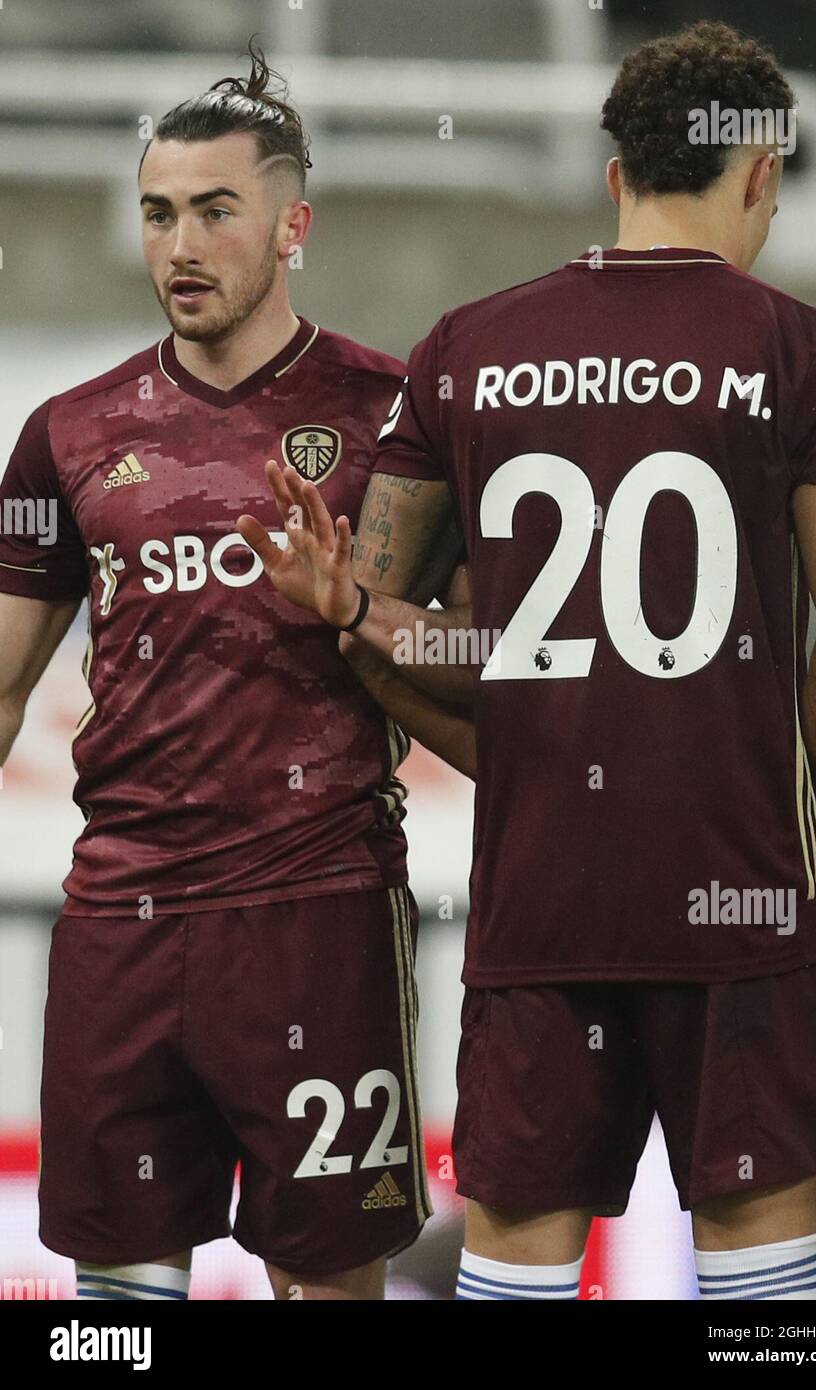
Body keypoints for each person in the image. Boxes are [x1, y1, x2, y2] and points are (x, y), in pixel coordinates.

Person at [239, 22, 816, 1301]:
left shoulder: (464, 347)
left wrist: (522, 756)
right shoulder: (809, 353)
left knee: (518, 1273)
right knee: (765, 1315)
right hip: (744, 912)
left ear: (615, 177)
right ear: (760, 170)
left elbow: (378, 626)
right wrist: (777, 814)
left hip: (542, 909)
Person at [0, 42, 435, 1302]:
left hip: (317, 910)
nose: (179, 243)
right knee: (114, 1309)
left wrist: (352, 604)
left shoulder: (392, 414)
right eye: (157, 213)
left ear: (292, 223)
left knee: (331, 1282)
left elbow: (468, 653)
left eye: (213, 210)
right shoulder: (67, 435)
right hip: (120, 916)